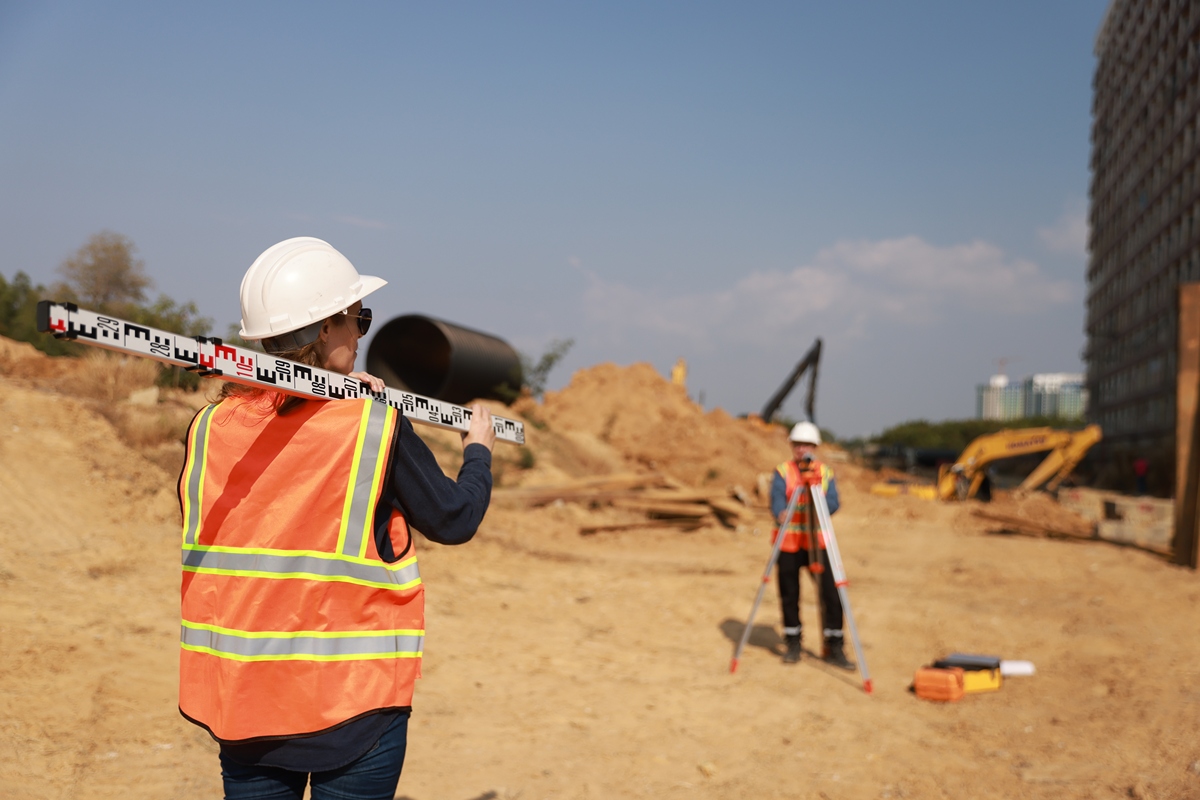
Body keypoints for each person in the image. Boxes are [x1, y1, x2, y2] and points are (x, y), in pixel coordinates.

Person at [177, 237, 496, 800]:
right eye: (359, 319)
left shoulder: (208, 427)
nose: (361, 333)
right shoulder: (371, 428)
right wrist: (478, 450)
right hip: (352, 709)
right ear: (326, 330)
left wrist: (347, 401)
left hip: (244, 706)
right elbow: (453, 519)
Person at [769, 421, 854, 670]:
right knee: (789, 593)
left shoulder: (824, 473)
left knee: (831, 592)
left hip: (817, 541)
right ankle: (793, 642)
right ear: (792, 446)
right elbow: (775, 499)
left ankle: (834, 645)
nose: (801, 449)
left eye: (806, 444)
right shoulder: (783, 471)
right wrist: (780, 512)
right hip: (789, 542)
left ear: (815, 447)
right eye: (797, 444)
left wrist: (818, 505)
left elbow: (833, 502)